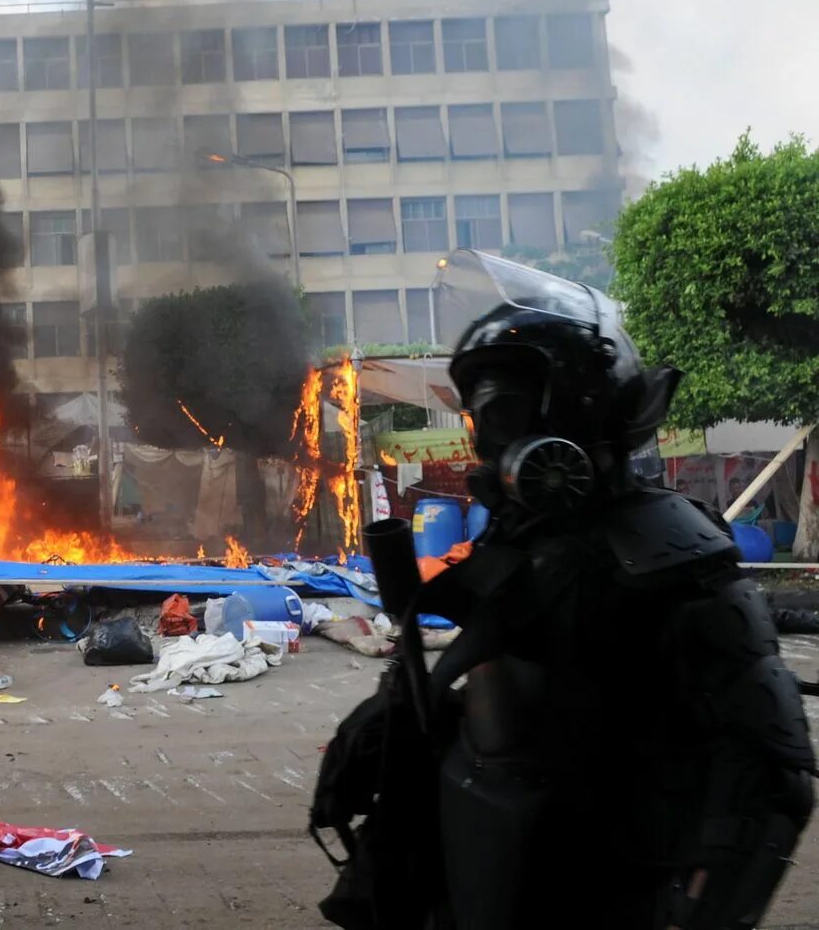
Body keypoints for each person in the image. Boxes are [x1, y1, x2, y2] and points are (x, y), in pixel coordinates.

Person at [312, 251, 815, 930]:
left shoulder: (665, 556)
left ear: (585, 415)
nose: (493, 440)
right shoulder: (528, 545)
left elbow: (773, 769)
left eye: (512, 412)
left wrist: (700, 913)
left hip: (604, 888)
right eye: (487, 416)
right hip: (484, 877)